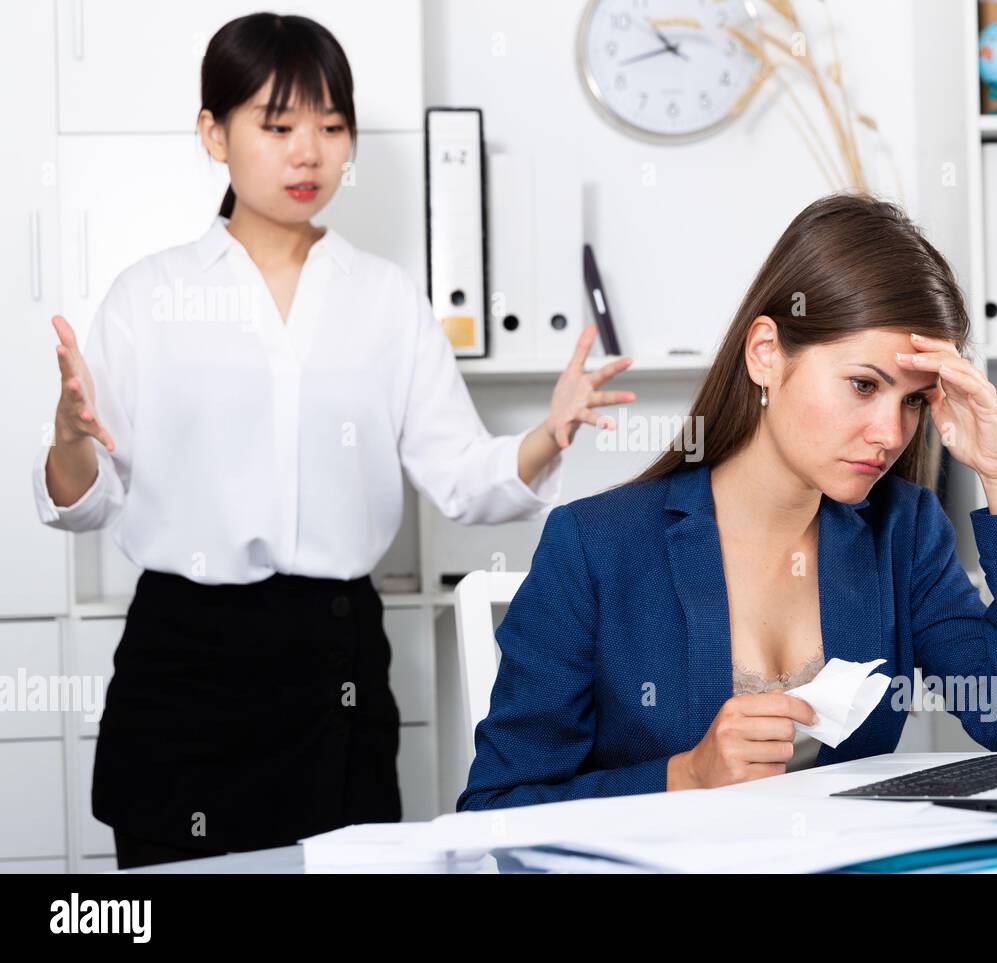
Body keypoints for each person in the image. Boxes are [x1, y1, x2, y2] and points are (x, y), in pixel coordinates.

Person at [32, 13, 634, 868]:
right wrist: (68, 438)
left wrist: (548, 431)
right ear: (214, 132)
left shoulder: (385, 299)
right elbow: (86, 503)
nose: (308, 153)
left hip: (334, 658)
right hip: (185, 654)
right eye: (276, 127)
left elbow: (465, 478)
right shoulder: (148, 296)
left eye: (330, 126)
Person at [458, 193, 997, 812]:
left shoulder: (903, 532)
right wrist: (685, 776)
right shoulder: (597, 543)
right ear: (765, 354)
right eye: (863, 385)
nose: (891, 435)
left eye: (914, 401)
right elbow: (497, 808)